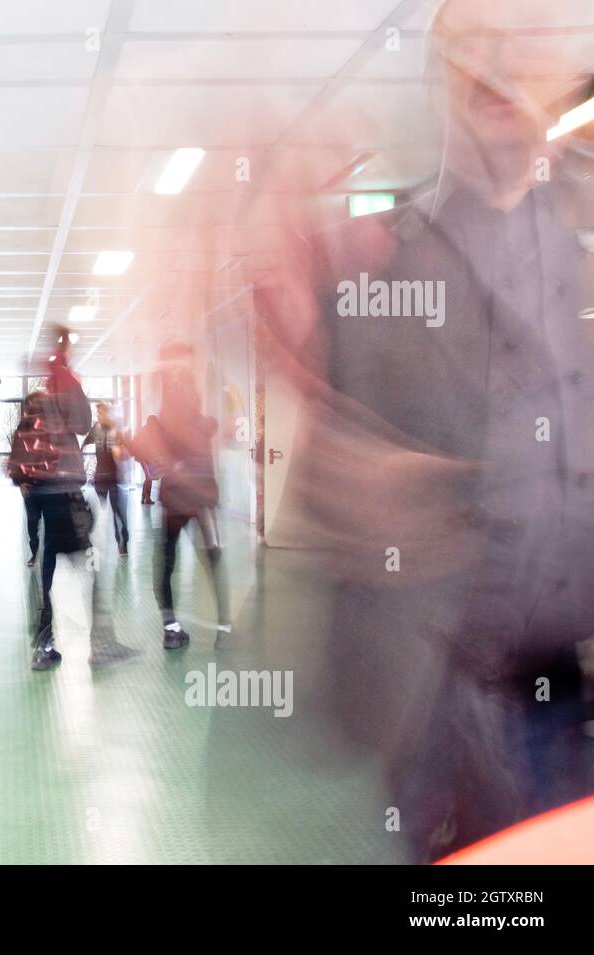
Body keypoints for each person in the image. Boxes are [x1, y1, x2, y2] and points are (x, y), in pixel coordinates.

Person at [253, 0, 593, 859]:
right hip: (455, 709)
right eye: (471, 46)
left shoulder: (585, 263)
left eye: (523, 41)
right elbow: (321, 497)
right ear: (439, 80)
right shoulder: (376, 266)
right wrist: (364, 497)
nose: (500, 65)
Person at [25, 329, 140, 670]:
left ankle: (44, 644)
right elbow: (82, 422)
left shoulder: (42, 391)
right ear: (67, 347)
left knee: (50, 564)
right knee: (88, 564)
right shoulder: (67, 382)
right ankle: (99, 644)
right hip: (64, 489)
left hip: (44, 490)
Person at [147, 343, 230, 649]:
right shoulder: (176, 391)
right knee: (207, 558)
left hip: (183, 492)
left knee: (174, 560)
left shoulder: (173, 391)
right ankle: (218, 629)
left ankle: (179, 628)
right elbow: (187, 429)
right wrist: (207, 425)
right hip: (192, 492)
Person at [9, 391, 51, 568]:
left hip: (49, 484)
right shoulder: (23, 428)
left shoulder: (51, 427)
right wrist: (19, 481)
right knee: (33, 522)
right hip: (30, 484)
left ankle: (46, 555)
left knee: (49, 522)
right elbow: (16, 454)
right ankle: (35, 553)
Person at [83, 401, 129, 556]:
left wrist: (119, 450)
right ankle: (87, 542)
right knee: (92, 510)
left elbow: (123, 453)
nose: (99, 416)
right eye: (98, 414)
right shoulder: (96, 428)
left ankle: (123, 541)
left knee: (118, 513)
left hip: (113, 479)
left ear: (108, 414)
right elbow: (84, 443)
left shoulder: (116, 431)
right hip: (99, 479)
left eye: (102, 413)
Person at [134, 414, 162, 505]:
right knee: (149, 478)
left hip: (144, 458)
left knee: (148, 477)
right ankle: (147, 498)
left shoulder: (146, 430)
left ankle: (144, 498)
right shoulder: (147, 431)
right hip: (144, 458)